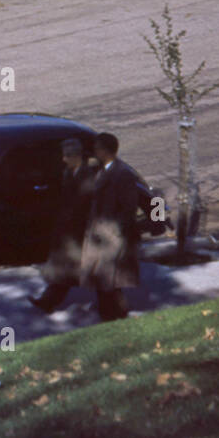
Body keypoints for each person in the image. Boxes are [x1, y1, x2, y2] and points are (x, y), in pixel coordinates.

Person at [30, 139, 97, 314]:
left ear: (77, 156)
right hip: (68, 232)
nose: (64, 159)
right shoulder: (68, 173)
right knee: (67, 272)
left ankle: (48, 301)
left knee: (77, 271)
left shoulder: (87, 176)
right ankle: (47, 301)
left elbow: (84, 206)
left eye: (67, 156)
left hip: (78, 232)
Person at [80, 132, 142, 321]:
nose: (94, 152)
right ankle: (108, 312)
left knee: (110, 279)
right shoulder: (101, 170)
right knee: (103, 278)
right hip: (98, 231)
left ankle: (114, 314)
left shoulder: (122, 174)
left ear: (106, 150)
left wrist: (116, 233)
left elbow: (129, 208)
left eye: (97, 148)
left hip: (111, 234)